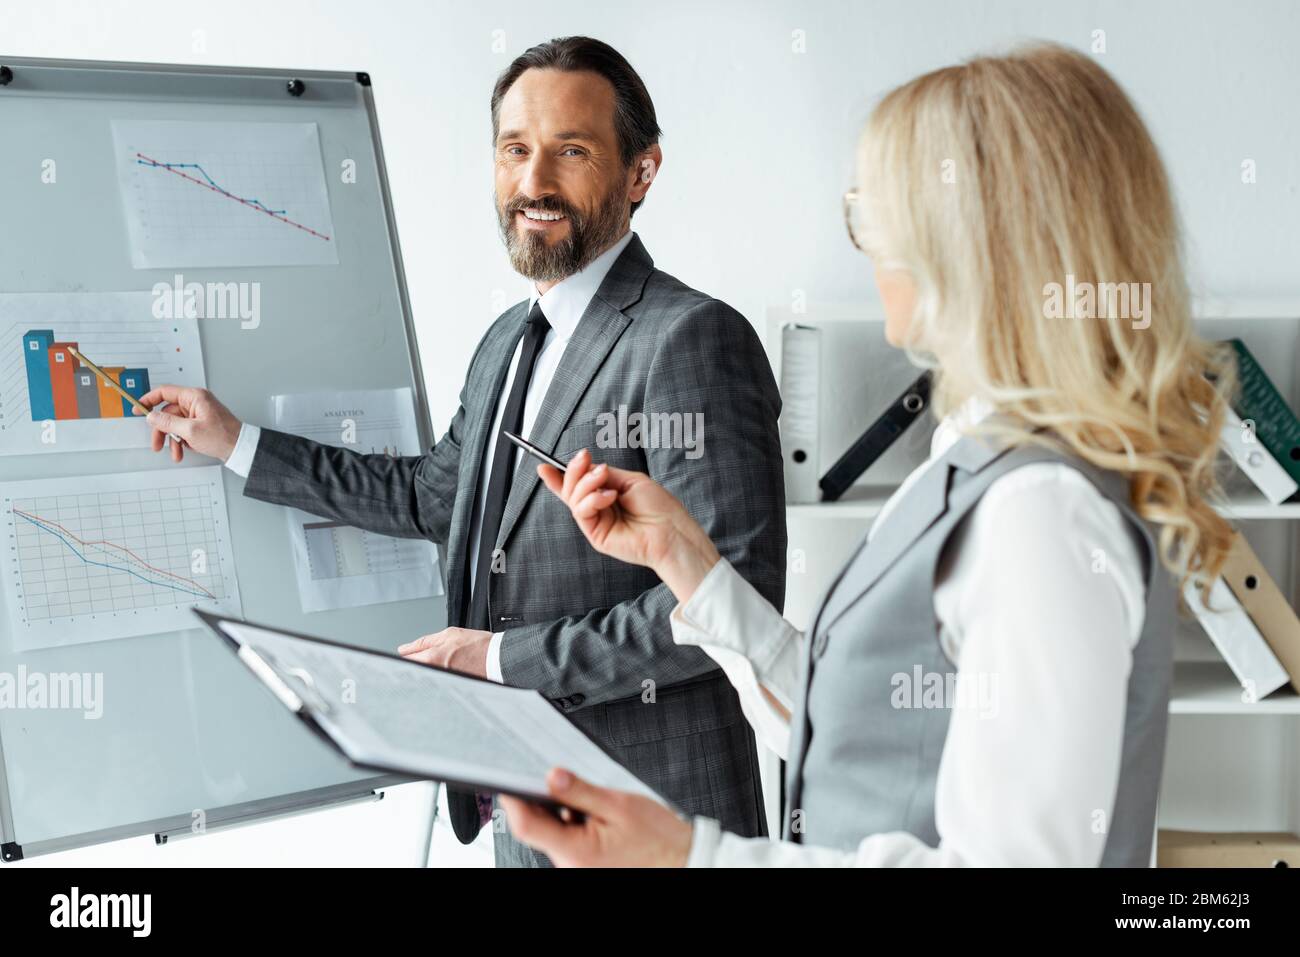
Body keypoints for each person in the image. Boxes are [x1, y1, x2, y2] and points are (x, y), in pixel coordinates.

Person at [500, 43, 1237, 867]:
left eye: (875, 213)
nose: (863, 244)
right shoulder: (981, 461)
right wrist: (688, 564)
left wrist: (690, 855)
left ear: (972, 242)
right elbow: (855, 725)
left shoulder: (1038, 512)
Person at [138, 36, 786, 867]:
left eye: (572, 152)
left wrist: (499, 659)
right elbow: (433, 499)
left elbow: (731, 605)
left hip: (654, 817)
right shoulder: (507, 342)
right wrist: (237, 444)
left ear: (641, 172)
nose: (533, 183)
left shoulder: (691, 338)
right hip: (524, 811)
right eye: (514, 150)